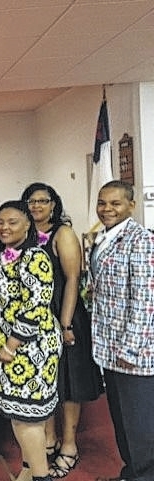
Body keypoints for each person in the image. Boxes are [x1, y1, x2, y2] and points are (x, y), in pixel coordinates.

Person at [20, 183, 103, 479]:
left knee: (69, 384)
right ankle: (49, 438)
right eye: (31, 201)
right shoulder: (25, 234)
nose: (36, 206)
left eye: (43, 201)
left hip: (63, 314)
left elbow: (72, 279)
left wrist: (65, 323)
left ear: (54, 204)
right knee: (47, 381)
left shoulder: (62, 233)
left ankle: (69, 445)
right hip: (37, 319)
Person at [0, 200, 61, 481]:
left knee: (28, 419)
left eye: (12, 222)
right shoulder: (2, 255)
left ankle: (41, 476)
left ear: (28, 225)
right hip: (4, 350)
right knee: (19, 415)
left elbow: (36, 306)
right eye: (0, 222)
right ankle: (27, 471)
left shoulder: (35, 257)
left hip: (29, 349)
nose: (4, 227)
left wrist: (11, 346)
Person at [89, 180, 154, 481]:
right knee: (121, 418)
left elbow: (145, 300)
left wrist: (130, 349)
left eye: (115, 203)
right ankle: (131, 472)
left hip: (134, 353)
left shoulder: (141, 240)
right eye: (102, 203)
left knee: (140, 423)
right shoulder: (103, 236)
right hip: (109, 347)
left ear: (131, 205)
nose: (107, 209)